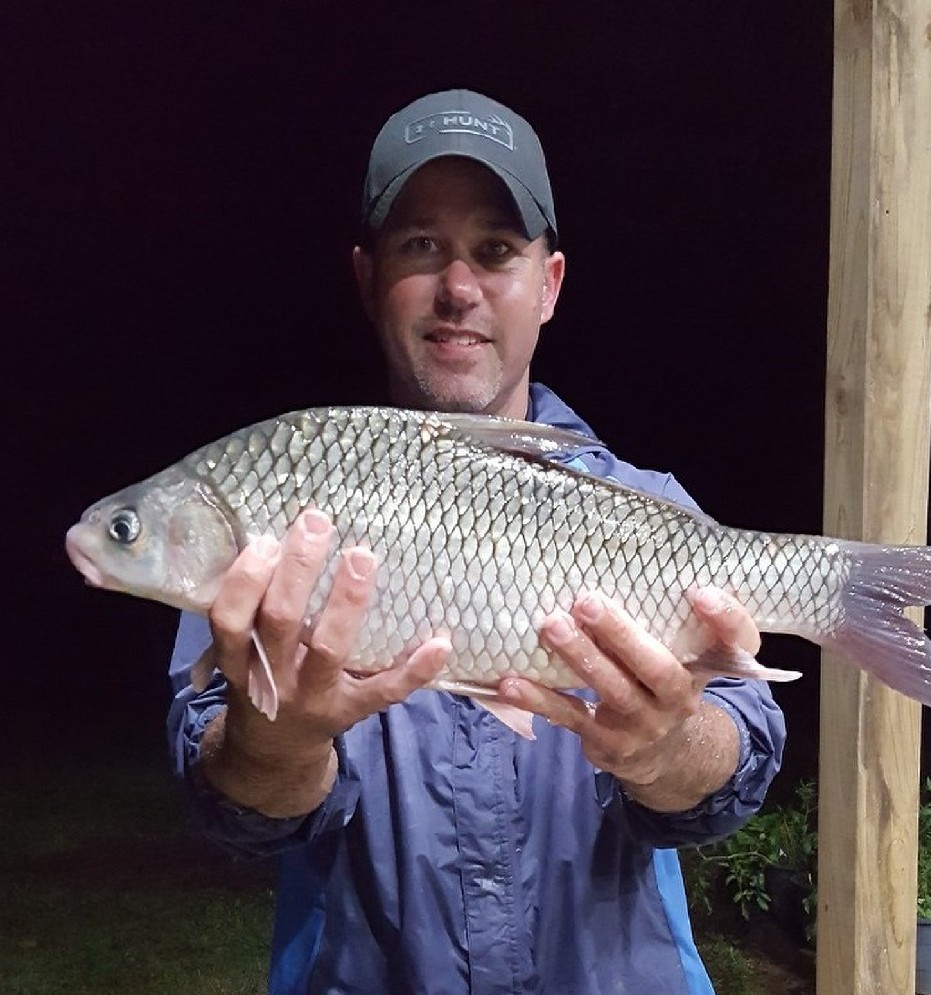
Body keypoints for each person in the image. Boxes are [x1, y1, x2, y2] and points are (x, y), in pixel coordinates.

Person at [168, 89, 786, 995]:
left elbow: (737, 762)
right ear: (367, 275)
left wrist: (669, 747)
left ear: (550, 285)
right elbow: (231, 803)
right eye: (422, 246)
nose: (459, 287)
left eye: (496, 251)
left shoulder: (649, 511)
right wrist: (278, 745)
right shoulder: (288, 511)